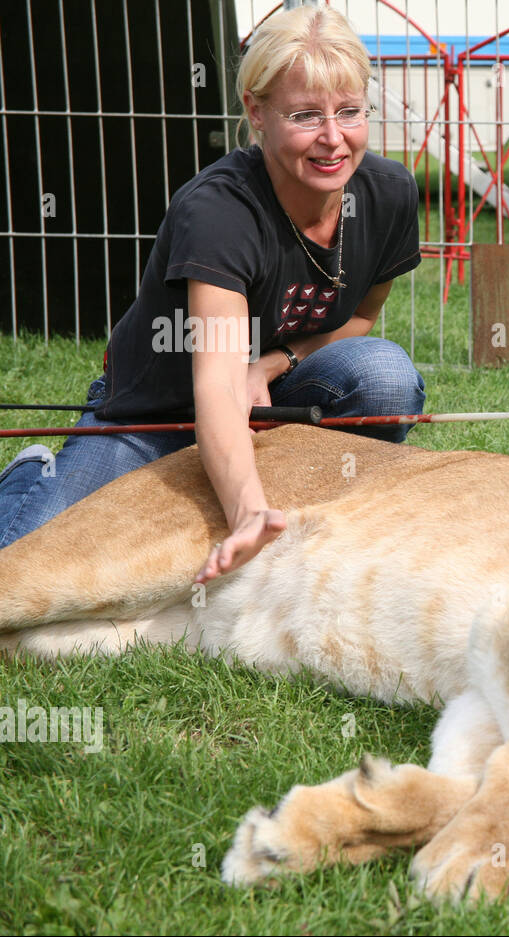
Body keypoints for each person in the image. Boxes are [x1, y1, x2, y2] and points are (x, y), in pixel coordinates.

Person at [0, 6, 424, 586]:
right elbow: (218, 385)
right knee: (27, 563)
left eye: (349, 112)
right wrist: (246, 513)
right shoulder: (218, 211)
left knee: (386, 377)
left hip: (272, 399)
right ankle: (29, 474)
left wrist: (271, 365)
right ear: (256, 112)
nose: (334, 139)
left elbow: (361, 320)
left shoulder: (390, 193)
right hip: (153, 417)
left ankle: (310, 495)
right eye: (305, 116)